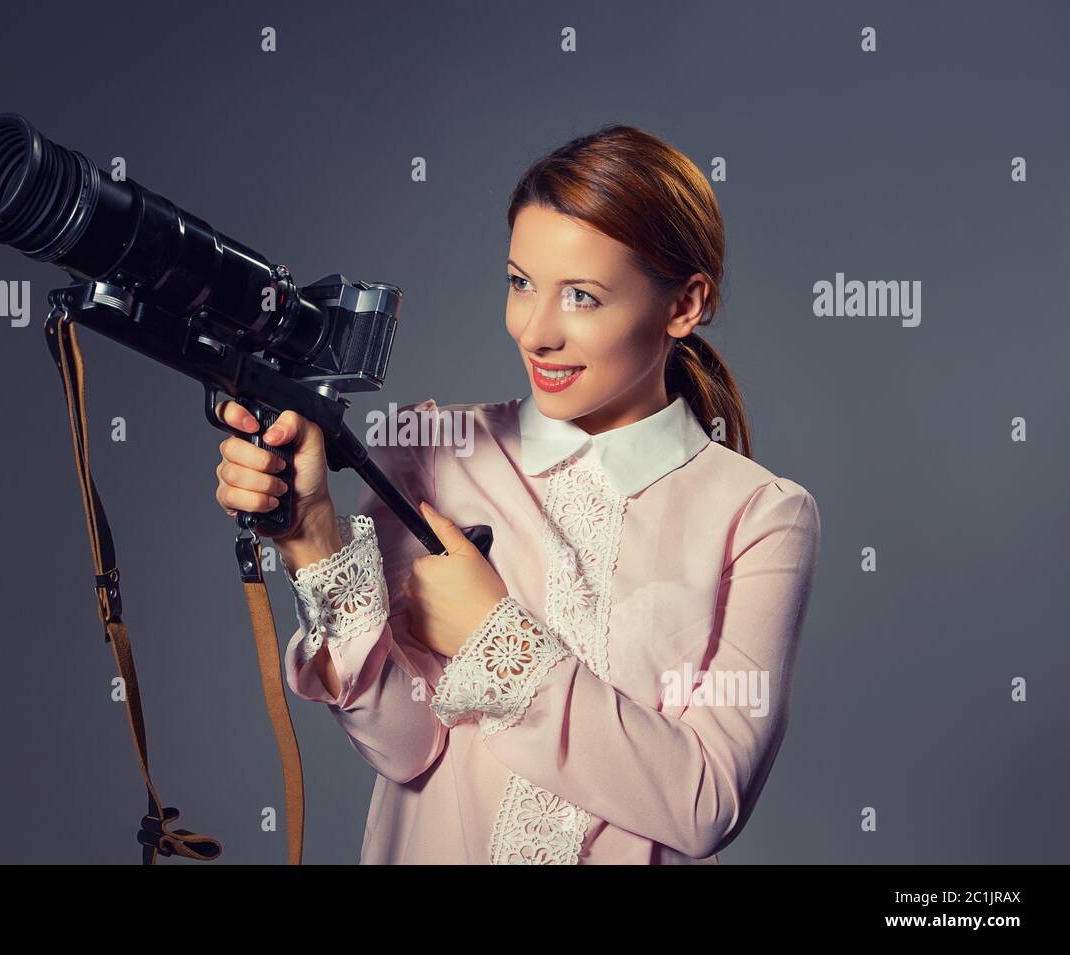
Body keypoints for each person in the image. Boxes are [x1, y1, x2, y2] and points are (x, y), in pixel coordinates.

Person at [213, 124, 821, 864]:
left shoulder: (762, 515)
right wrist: (311, 539)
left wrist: (492, 632)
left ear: (685, 304)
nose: (534, 331)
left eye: (583, 297)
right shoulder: (436, 450)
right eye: (520, 281)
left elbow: (704, 801)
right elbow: (402, 748)